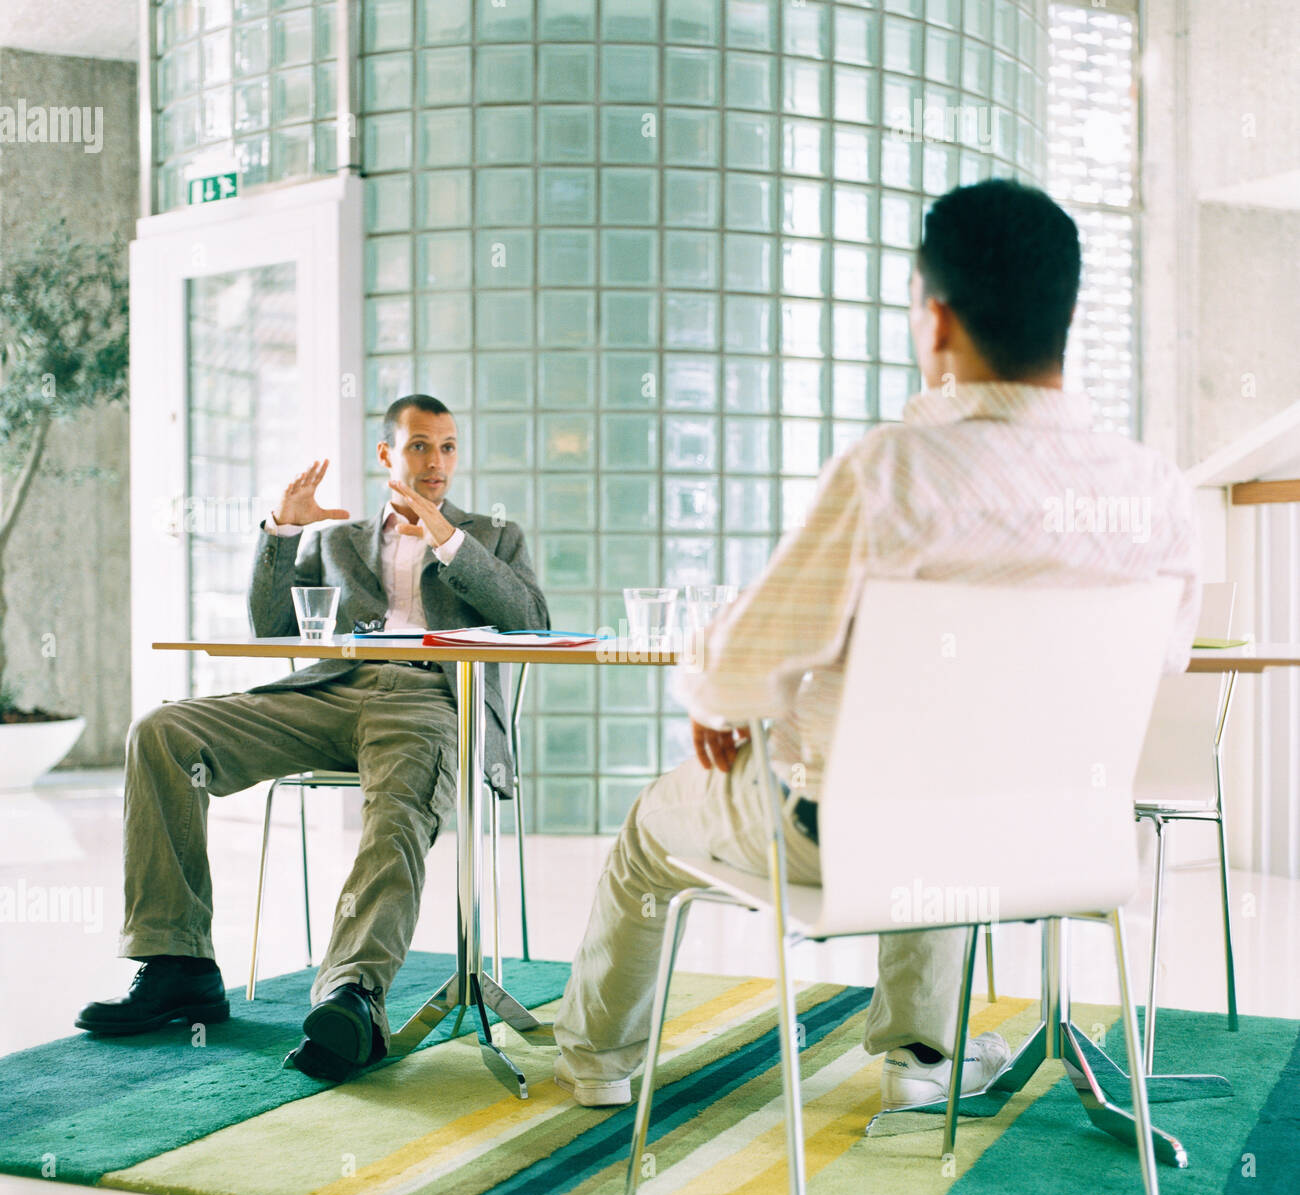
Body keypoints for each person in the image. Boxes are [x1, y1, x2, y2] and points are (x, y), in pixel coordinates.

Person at [552, 179, 1201, 1109]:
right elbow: (1156, 666)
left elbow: (736, 670)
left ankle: (599, 1062)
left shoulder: (894, 473)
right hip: (1056, 838)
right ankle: (920, 1061)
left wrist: (720, 697)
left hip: (853, 843)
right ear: (1066, 316)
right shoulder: (1158, 493)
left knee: (656, 826)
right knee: (943, 765)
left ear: (935, 322)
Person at [77, 394, 549, 1080]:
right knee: (163, 732)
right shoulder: (339, 540)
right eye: (419, 445)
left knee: (394, 816)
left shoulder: (492, 538)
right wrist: (279, 534)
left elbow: (531, 619)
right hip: (328, 692)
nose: (436, 461)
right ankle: (178, 963)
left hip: (428, 703)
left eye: (447, 447)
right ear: (387, 454)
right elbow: (270, 628)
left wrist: (445, 535)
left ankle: (352, 996)